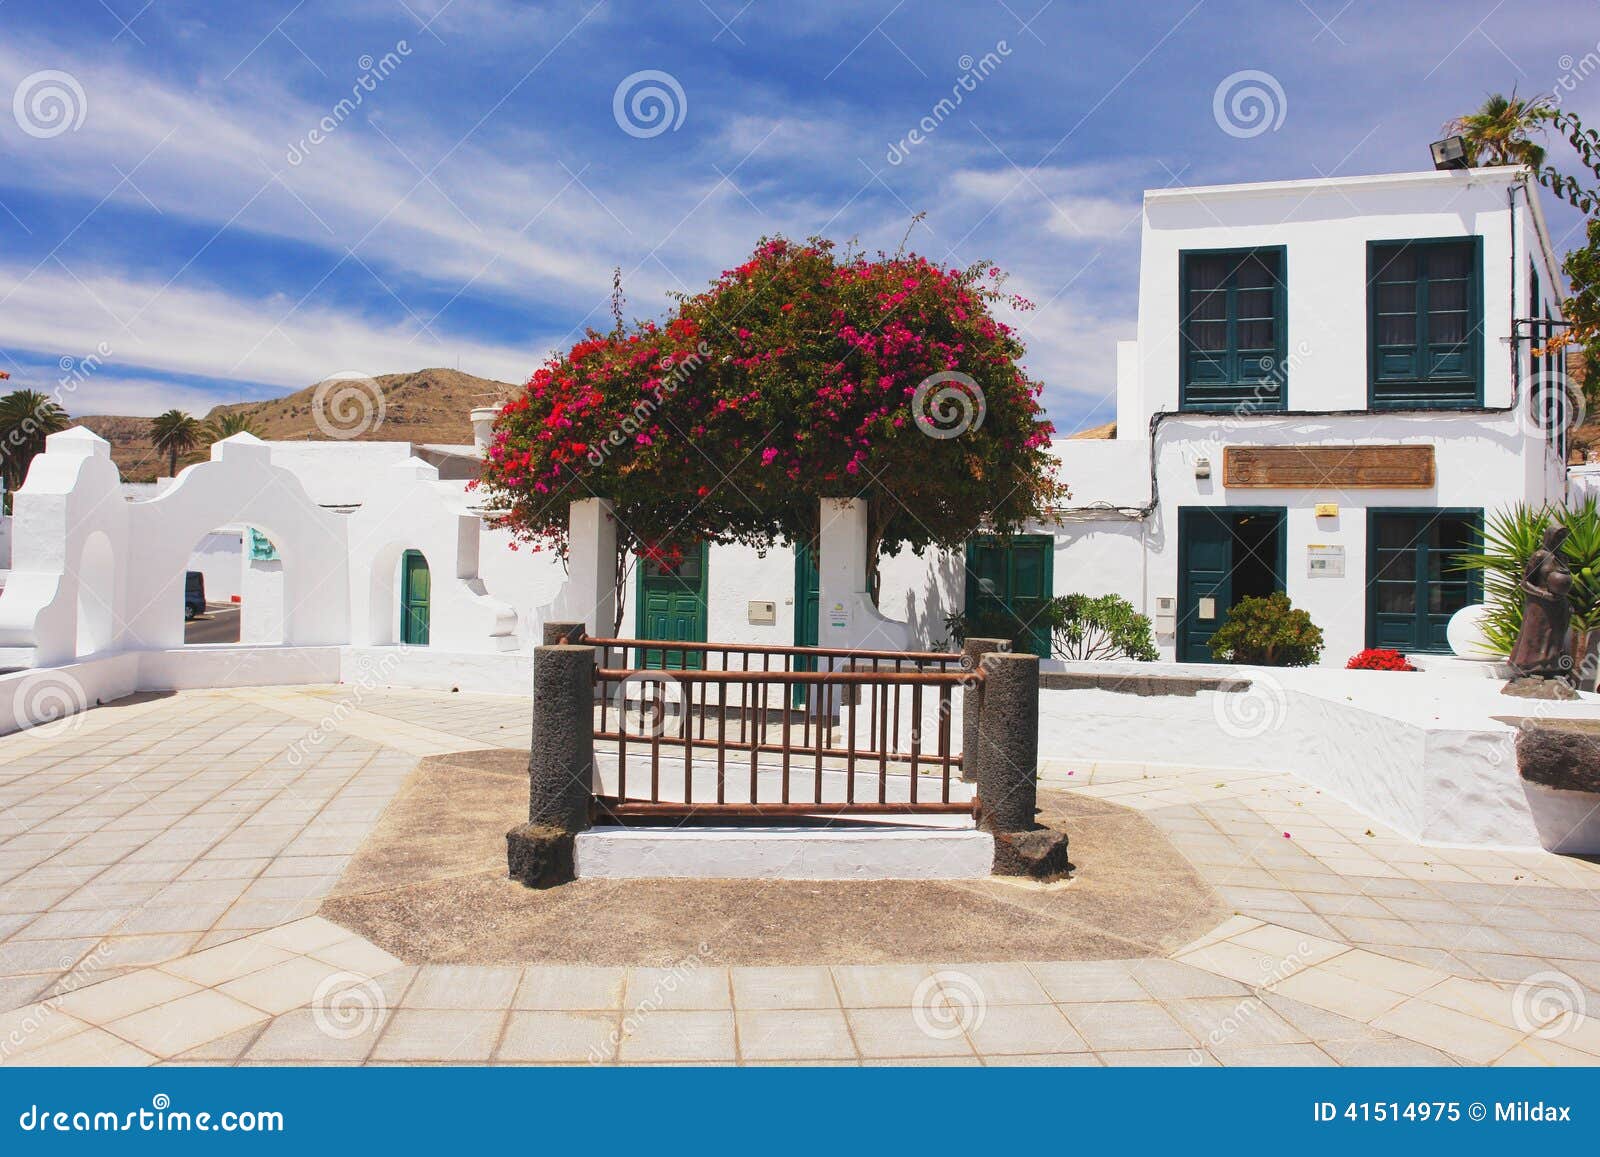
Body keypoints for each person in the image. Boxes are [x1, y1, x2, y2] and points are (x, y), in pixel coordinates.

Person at [1508, 524, 1575, 682]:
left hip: (1558, 605)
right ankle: (1529, 669)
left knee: (1555, 637)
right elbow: (1525, 582)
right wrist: (1543, 594)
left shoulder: (1563, 558)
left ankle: (1550, 668)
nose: (1560, 541)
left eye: (1563, 538)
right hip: (1539, 605)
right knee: (1536, 636)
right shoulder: (1539, 556)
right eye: (1558, 537)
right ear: (1549, 536)